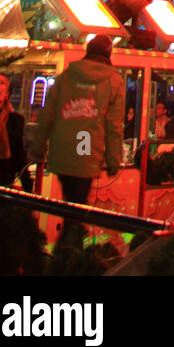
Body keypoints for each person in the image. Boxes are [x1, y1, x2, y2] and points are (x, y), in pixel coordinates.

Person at [30, 35, 125, 243]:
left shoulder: (66, 76)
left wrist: (37, 148)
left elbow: (47, 115)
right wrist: (113, 159)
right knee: (77, 209)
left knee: (70, 205)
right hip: (88, 150)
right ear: (108, 54)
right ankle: (70, 254)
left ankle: (68, 250)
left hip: (63, 150)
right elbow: (114, 125)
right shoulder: (114, 81)